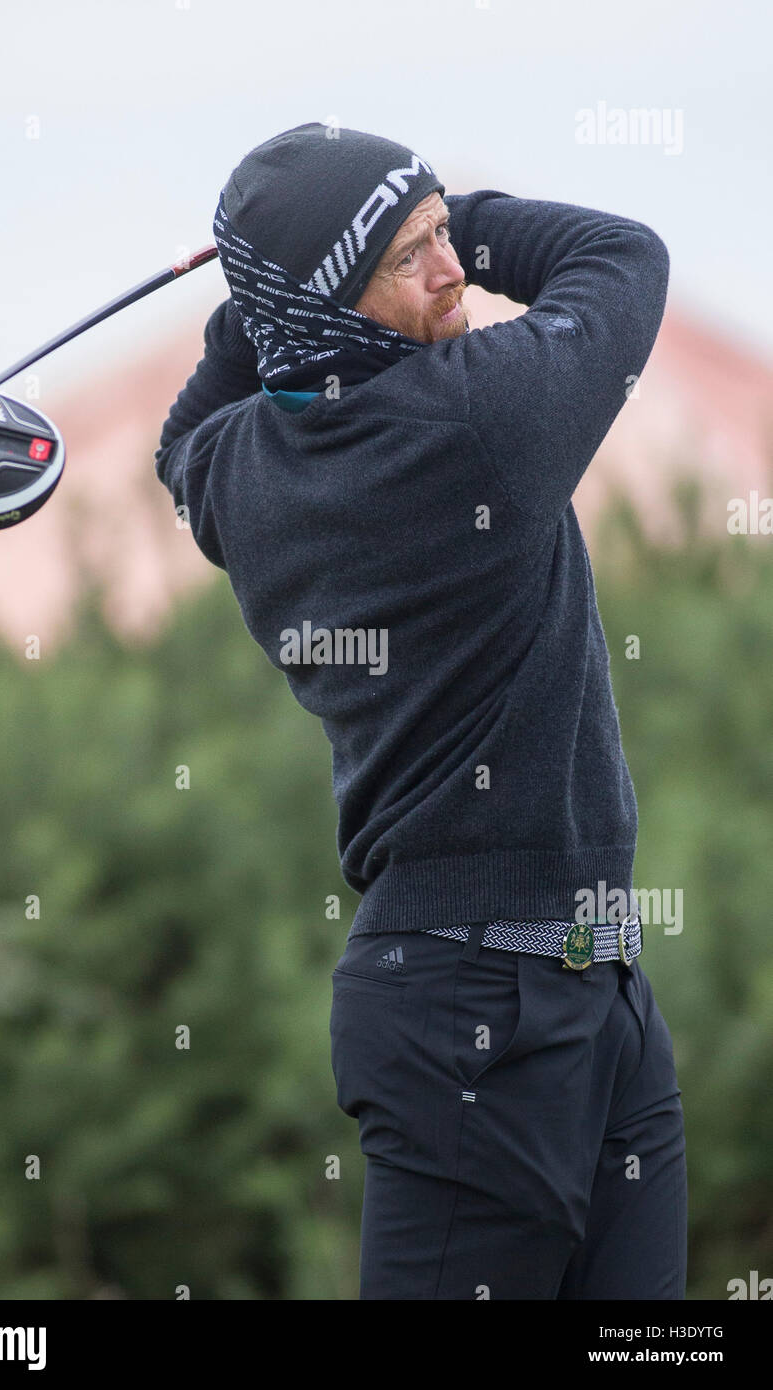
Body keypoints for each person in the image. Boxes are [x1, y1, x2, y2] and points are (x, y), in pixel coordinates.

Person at [154, 121, 687, 1300]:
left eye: (445, 231)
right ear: (329, 308)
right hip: (480, 1015)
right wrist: (479, 220)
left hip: (577, 981)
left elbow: (182, 432)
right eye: (410, 254)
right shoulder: (475, 419)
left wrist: (277, 286)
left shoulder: (234, 473)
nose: (452, 268)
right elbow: (623, 257)